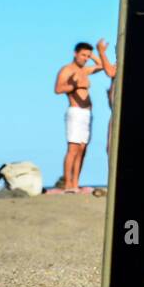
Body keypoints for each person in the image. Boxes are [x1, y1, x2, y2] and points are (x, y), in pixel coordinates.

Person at [54, 41, 108, 191]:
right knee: (73, 148)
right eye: (83, 54)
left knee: (83, 148)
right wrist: (75, 85)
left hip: (87, 113)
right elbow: (58, 89)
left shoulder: (85, 70)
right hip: (75, 111)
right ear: (75, 53)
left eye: (87, 55)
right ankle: (67, 184)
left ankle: (76, 183)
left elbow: (104, 66)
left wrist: (94, 56)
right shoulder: (67, 69)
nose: (85, 58)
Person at [97, 38, 117, 157]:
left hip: (118, 114)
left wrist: (101, 52)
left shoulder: (124, 62)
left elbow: (110, 71)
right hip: (114, 112)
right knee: (111, 149)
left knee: (113, 149)